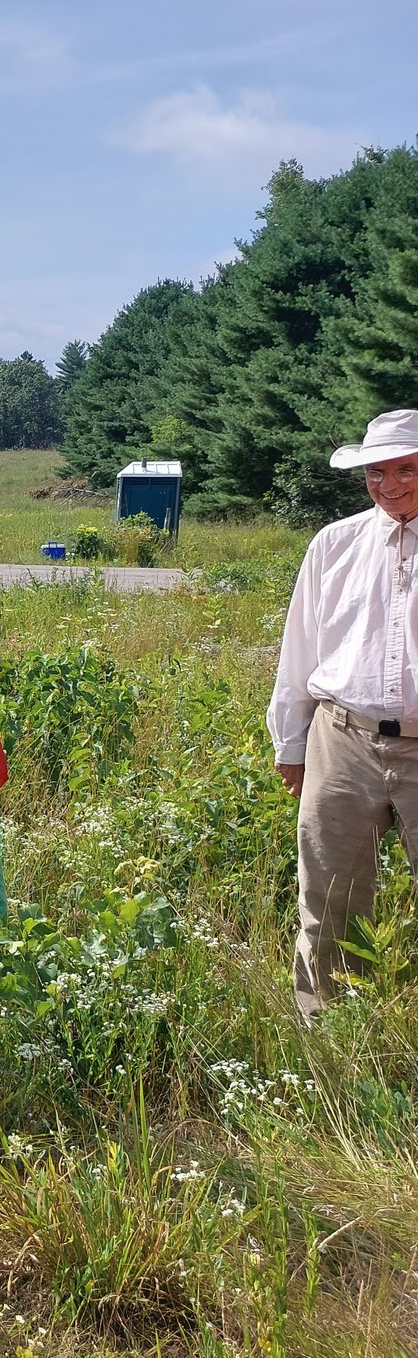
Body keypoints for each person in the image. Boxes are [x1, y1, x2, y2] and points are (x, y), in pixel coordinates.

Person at [268, 407, 418, 1017]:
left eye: (406, 469)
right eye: (376, 472)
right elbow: (300, 648)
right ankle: (329, 1033)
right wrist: (292, 742)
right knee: (329, 895)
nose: (389, 484)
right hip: (343, 736)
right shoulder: (334, 543)